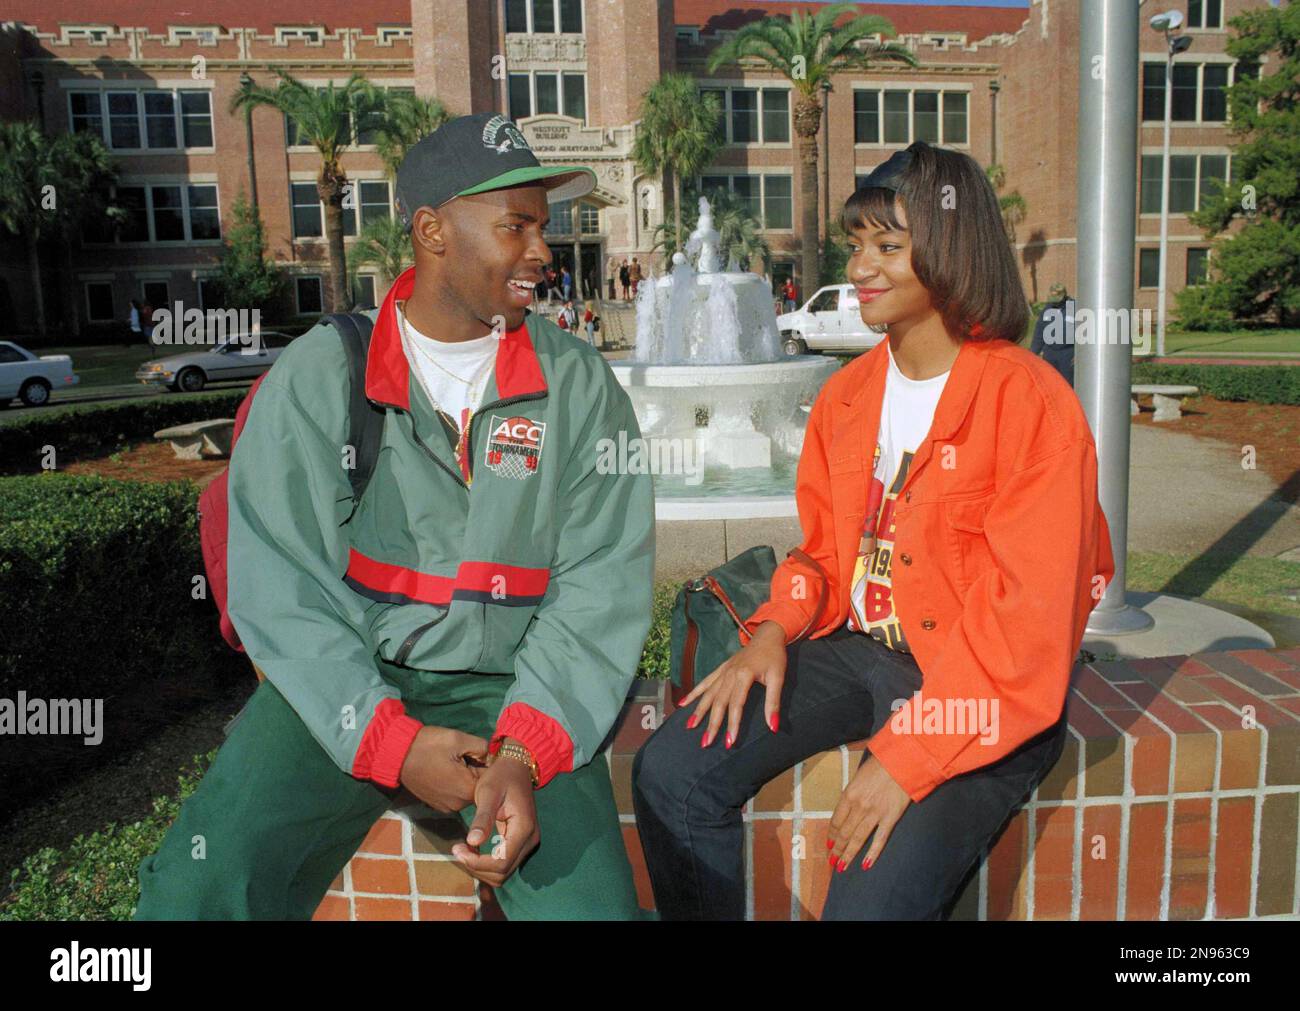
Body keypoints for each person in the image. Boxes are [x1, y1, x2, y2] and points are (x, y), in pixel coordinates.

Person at [134, 112, 655, 921]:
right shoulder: (320, 373)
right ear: (431, 230)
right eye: (515, 226)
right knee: (197, 888)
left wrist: (523, 750)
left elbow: (600, 584)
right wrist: (391, 743)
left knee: (594, 912)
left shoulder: (579, 386)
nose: (544, 250)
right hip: (349, 682)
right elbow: (282, 582)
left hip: (518, 689)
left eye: (543, 228)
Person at [632, 140, 1115, 921]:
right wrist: (771, 630)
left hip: (982, 690)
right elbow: (825, 555)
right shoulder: (844, 397)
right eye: (857, 246)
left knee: (865, 896)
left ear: (953, 250)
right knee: (671, 771)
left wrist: (907, 756)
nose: (860, 267)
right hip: (866, 657)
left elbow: (1027, 632)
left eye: (889, 247)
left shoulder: (1028, 404)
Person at [1030, 282, 1077, 388]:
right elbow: (1039, 331)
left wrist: (1080, 353)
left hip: (1068, 354)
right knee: (1050, 384)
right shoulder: (1047, 309)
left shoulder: (1074, 308)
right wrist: (1032, 353)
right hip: (1050, 353)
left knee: (1067, 385)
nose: (1054, 302)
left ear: (1064, 295)